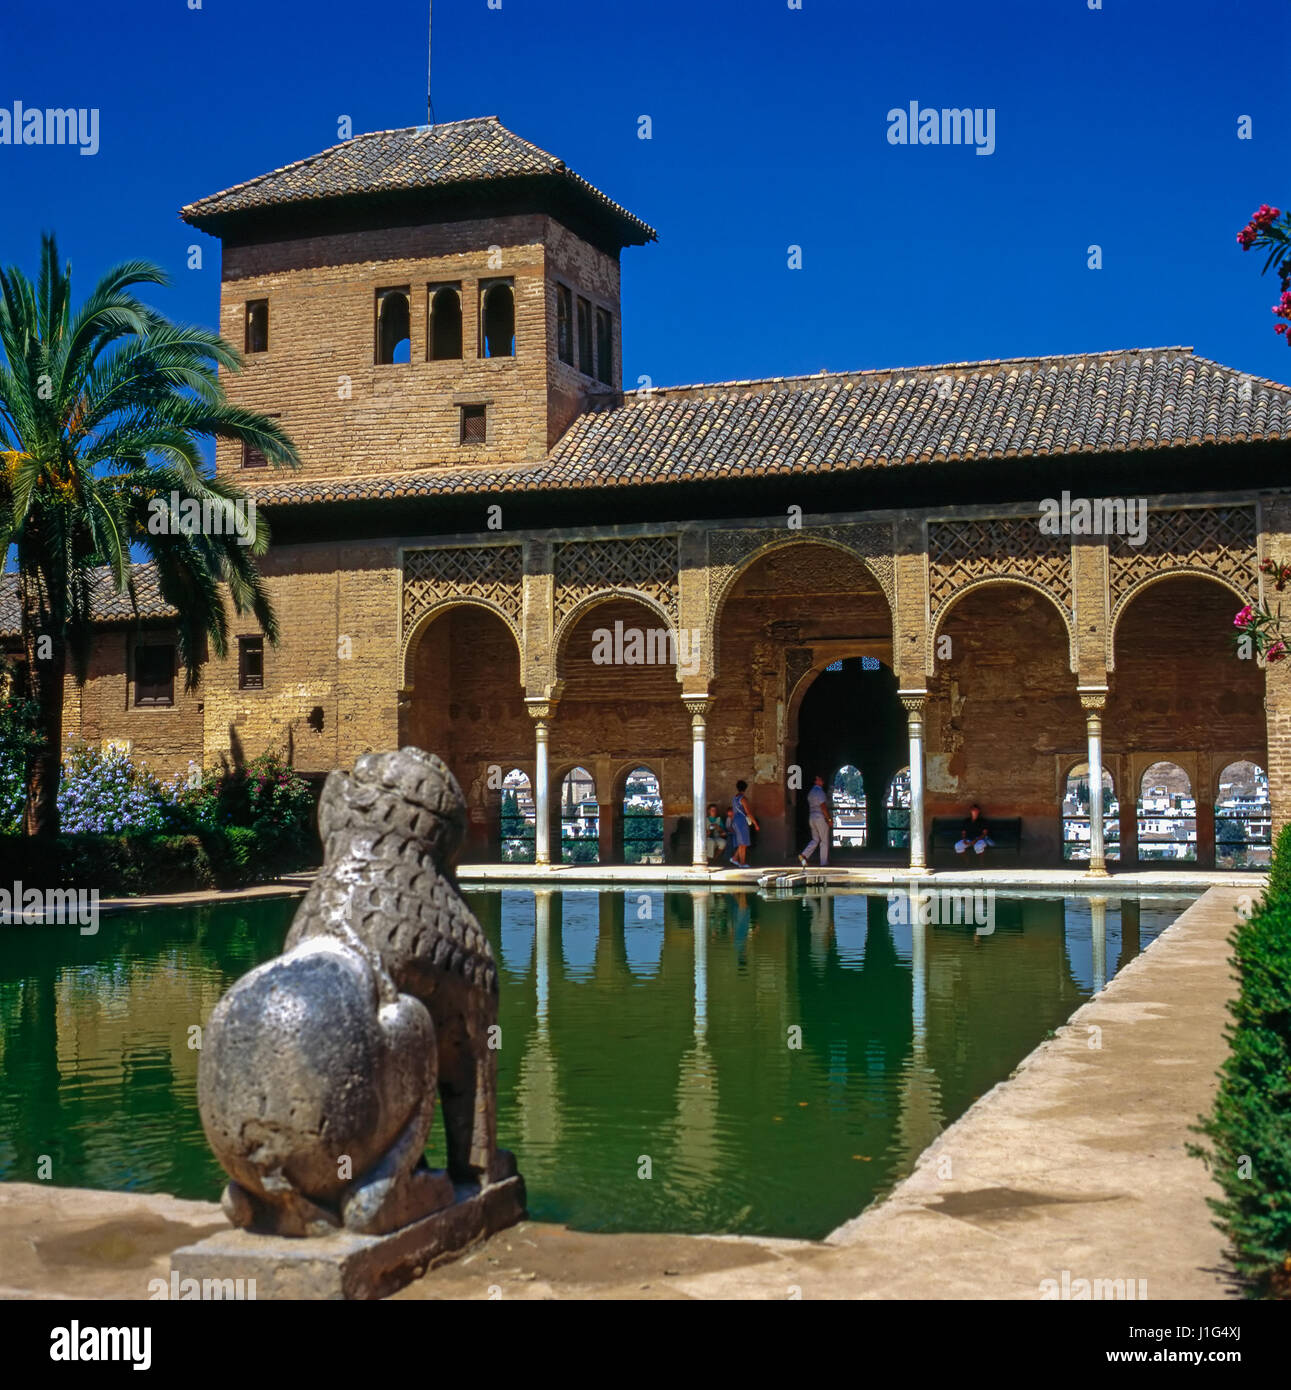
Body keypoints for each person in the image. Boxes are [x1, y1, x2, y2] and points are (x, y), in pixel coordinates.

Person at [798, 774, 833, 867]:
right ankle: (824, 862)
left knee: (815, 839)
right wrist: (829, 819)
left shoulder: (810, 793)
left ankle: (804, 854)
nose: (822, 781)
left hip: (812, 817)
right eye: (819, 779)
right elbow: (823, 806)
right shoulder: (819, 792)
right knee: (824, 840)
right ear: (816, 781)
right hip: (820, 817)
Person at [728, 780, 758, 867]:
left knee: (741, 842)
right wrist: (755, 824)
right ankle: (742, 863)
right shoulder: (743, 799)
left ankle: (734, 858)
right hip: (742, 821)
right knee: (743, 843)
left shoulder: (734, 798)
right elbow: (748, 812)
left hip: (736, 821)